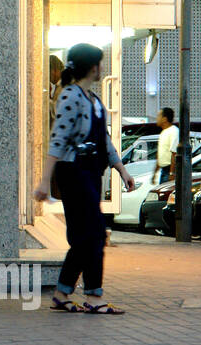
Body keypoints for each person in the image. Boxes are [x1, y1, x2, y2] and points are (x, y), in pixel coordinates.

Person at [34, 43, 135, 314]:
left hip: (91, 171)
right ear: (92, 66)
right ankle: (94, 296)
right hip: (74, 171)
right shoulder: (70, 96)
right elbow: (58, 139)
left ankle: (62, 294)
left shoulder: (93, 99)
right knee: (94, 234)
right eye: (101, 64)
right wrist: (45, 180)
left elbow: (103, 139)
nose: (103, 68)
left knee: (82, 237)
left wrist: (121, 169)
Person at [153, 107, 178, 184]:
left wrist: (172, 173)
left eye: (158, 116)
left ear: (164, 119)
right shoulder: (163, 132)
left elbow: (174, 153)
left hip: (169, 171)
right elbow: (160, 154)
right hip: (163, 171)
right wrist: (155, 172)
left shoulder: (174, 131)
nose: (157, 118)